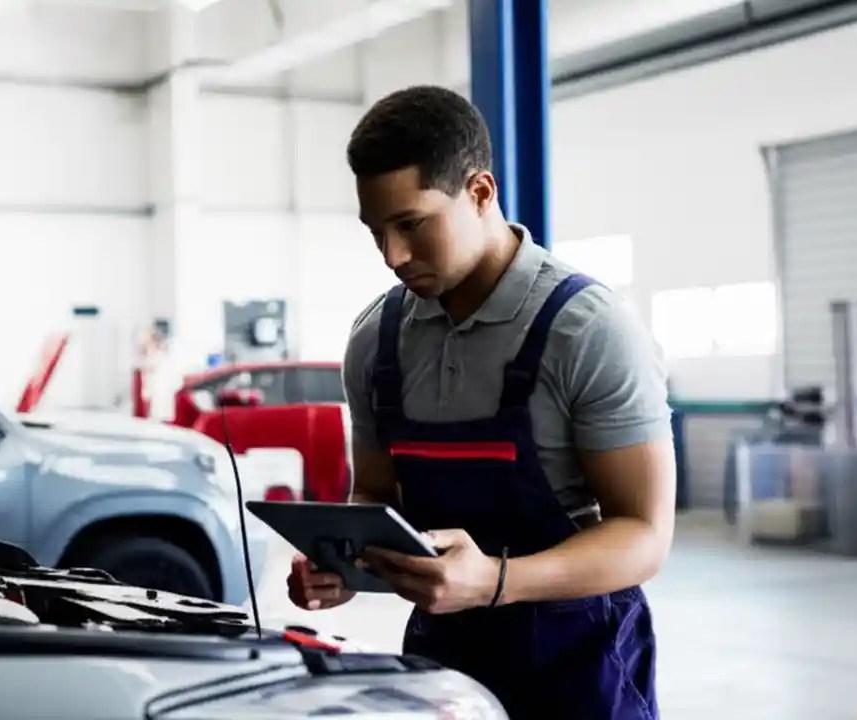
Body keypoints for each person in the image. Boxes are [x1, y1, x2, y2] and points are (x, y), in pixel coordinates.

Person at [285, 85, 676, 719]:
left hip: (580, 668)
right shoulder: (375, 341)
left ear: (480, 192)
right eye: (376, 231)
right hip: (445, 667)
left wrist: (496, 581)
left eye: (411, 224)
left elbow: (645, 536)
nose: (393, 256)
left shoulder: (589, 330)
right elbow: (377, 497)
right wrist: (340, 562)